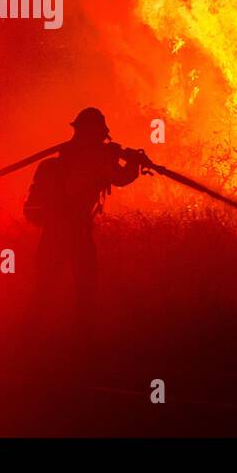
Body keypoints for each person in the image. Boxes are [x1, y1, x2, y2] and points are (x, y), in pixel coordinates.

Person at [26, 107, 146, 332]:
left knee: (45, 287)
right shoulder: (95, 161)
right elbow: (120, 178)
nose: (102, 138)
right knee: (84, 288)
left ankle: (29, 336)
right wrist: (133, 162)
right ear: (93, 132)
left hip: (54, 232)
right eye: (99, 133)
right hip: (76, 233)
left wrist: (127, 159)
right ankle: (81, 340)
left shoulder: (60, 161)